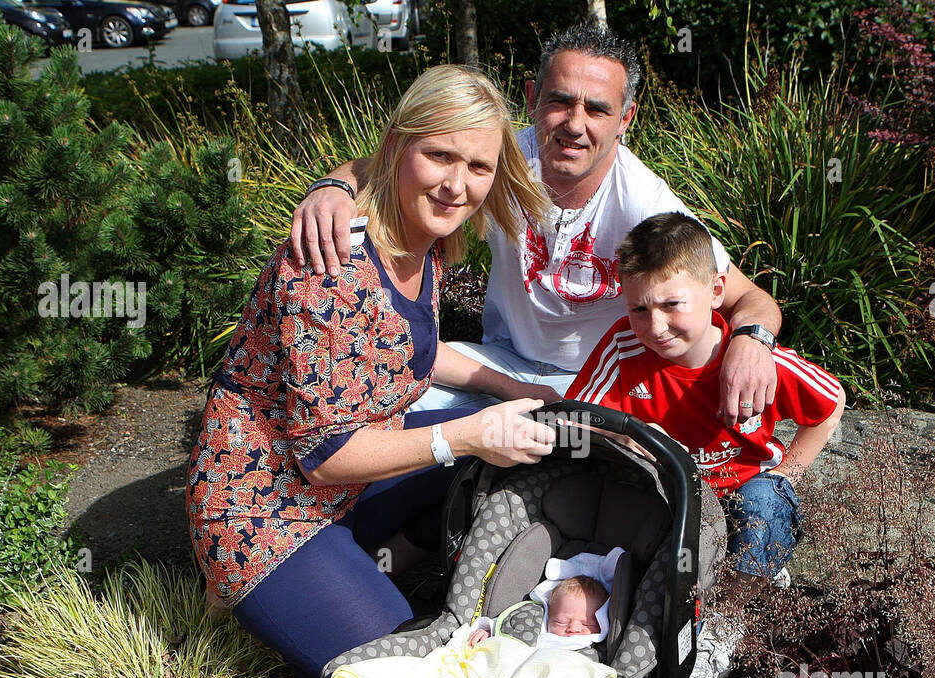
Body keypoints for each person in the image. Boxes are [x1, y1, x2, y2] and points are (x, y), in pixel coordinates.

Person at [185, 65, 559, 678]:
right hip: (268, 510)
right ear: (397, 147)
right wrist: (468, 433)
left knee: (526, 437)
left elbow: (410, 351)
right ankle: (258, 595)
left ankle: (375, 563)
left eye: (479, 167)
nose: (456, 185)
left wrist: (507, 388)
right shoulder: (329, 264)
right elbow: (326, 459)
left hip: (349, 486)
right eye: (439, 155)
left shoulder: (424, 238)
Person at [287, 22, 784, 426]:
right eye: (560, 101)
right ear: (531, 97)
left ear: (626, 118)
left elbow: (749, 298)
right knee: (389, 398)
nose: (574, 123)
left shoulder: (645, 201)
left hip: (602, 381)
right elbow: (389, 164)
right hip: (501, 363)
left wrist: (753, 341)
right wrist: (332, 186)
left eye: (596, 109)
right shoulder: (498, 159)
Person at [566, 213, 846, 678]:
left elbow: (831, 403)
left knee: (767, 509)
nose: (654, 326)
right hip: (670, 488)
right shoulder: (621, 350)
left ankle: (730, 615)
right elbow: (582, 418)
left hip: (741, 485)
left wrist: (789, 473)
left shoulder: (761, 362)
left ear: (717, 291)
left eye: (672, 304)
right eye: (638, 309)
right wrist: (629, 439)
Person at [467, 574, 608, 646]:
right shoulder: (534, 623)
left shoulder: (594, 648)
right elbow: (507, 627)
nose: (574, 628)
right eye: (561, 621)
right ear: (548, 616)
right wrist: (489, 631)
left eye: (588, 624)